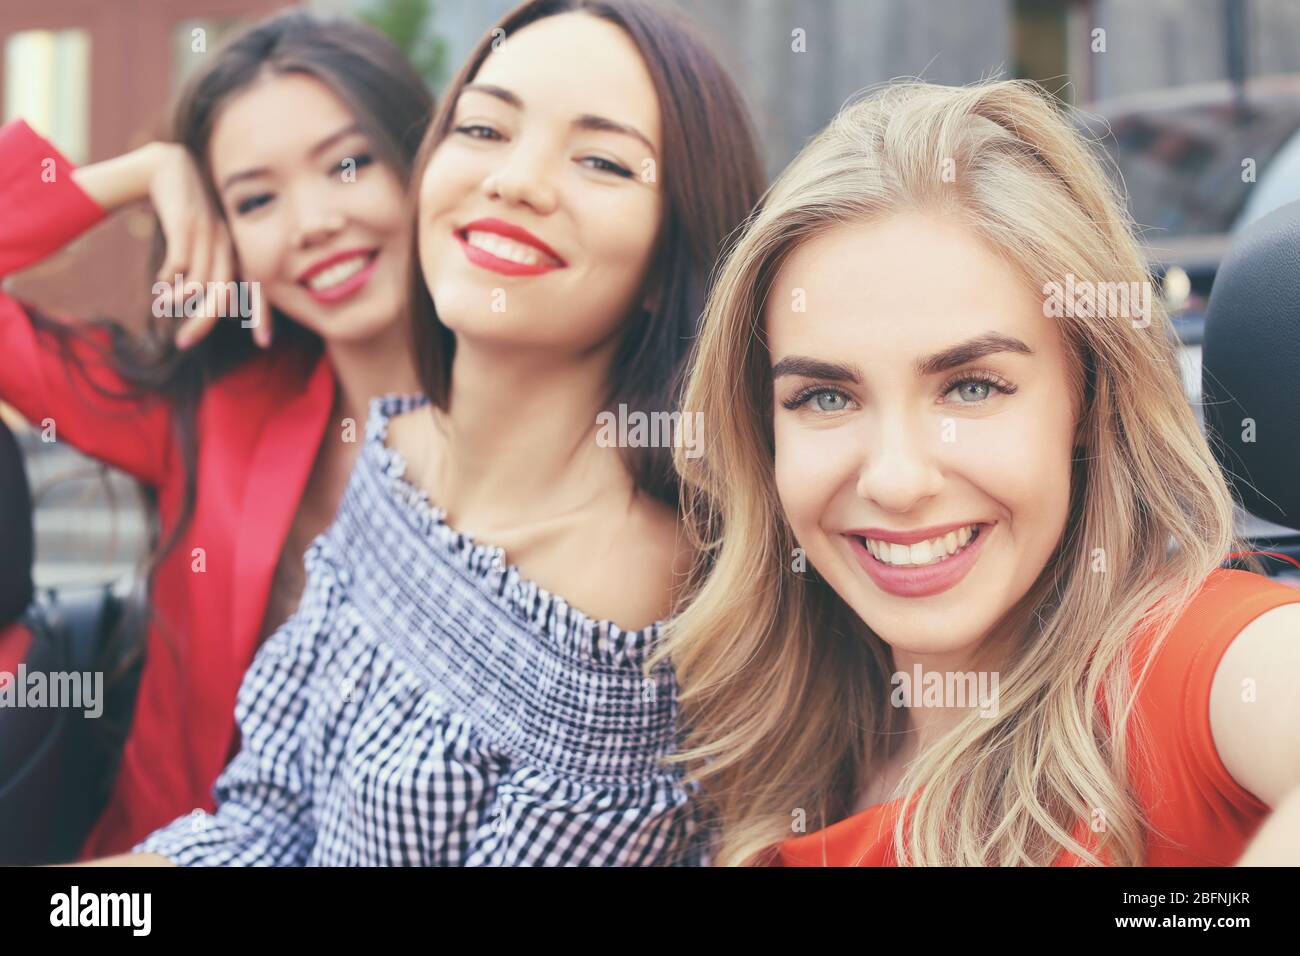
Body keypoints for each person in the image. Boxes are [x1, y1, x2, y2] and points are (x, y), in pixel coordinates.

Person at [111, 0, 765, 866]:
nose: (516, 180)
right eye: (485, 130)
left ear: (666, 259)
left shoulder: (627, 605)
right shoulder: (400, 452)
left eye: (603, 160)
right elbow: (268, 822)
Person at [652, 79, 1300, 866]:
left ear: (1088, 403)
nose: (895, 479)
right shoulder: (757, 755)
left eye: (972, 387)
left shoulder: (1181, 668)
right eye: (825, 396)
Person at [0, 10, 433, 859]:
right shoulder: (202, 412)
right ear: (221, 234)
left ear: (424, 161)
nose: (312, 222)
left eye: (348, 164)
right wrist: (141, 171)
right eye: (255, 198)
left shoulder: (549, 428)